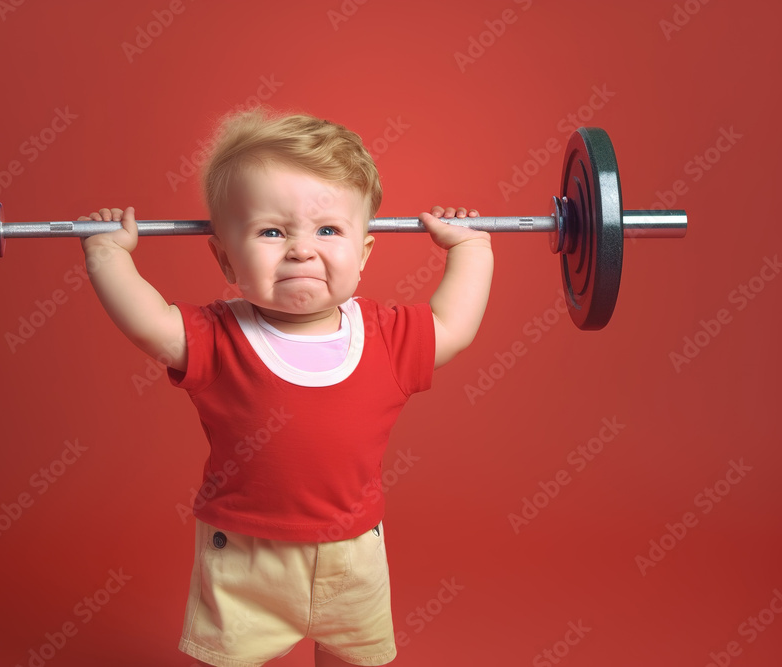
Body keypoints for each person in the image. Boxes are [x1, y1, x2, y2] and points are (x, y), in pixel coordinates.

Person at [78, 107, 493, 667]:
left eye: (328, 230)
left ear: (364, 252)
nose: (301, 249)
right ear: (224, 255)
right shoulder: (218, 335)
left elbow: (454, 327)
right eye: (271, 231)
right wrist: (107, 255)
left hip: (353, 555)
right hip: (246, 558)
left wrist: (472, 249)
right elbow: (149, 322)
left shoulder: (388, 336)